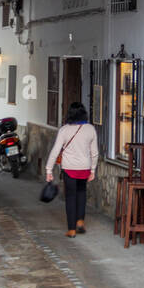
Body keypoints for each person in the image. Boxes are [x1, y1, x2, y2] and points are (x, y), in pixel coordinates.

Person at [45, 101, 98, 238]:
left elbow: (55, 150)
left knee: (70, 197)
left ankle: (72, 229)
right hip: (85, 167)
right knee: (81, 193)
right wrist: (93, 170)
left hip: (69, 168)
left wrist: (48, 170)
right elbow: (95, 152)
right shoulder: (90, 129)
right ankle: (80, 220)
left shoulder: (64, 130)